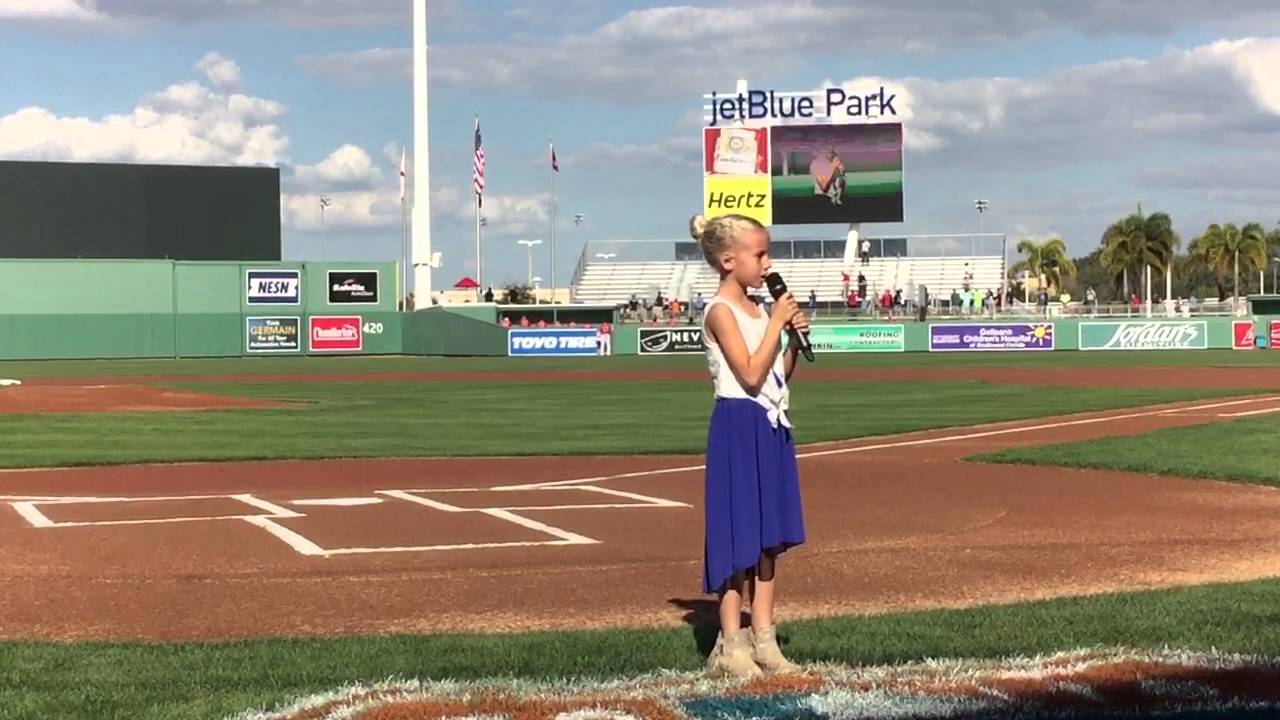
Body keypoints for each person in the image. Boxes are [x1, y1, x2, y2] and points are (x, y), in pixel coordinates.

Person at [688, 212, 807, 679]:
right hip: (738, 426)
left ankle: (765, 638)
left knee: (767, 542)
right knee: (739, 534)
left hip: (771, 424)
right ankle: (731, 643)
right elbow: (750, 374)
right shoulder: (721, 311)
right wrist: (778, 322)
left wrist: (792, 340)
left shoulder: (761, 309)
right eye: (759, 254)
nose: (767, 263)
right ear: (727, 260)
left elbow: (776, 375)